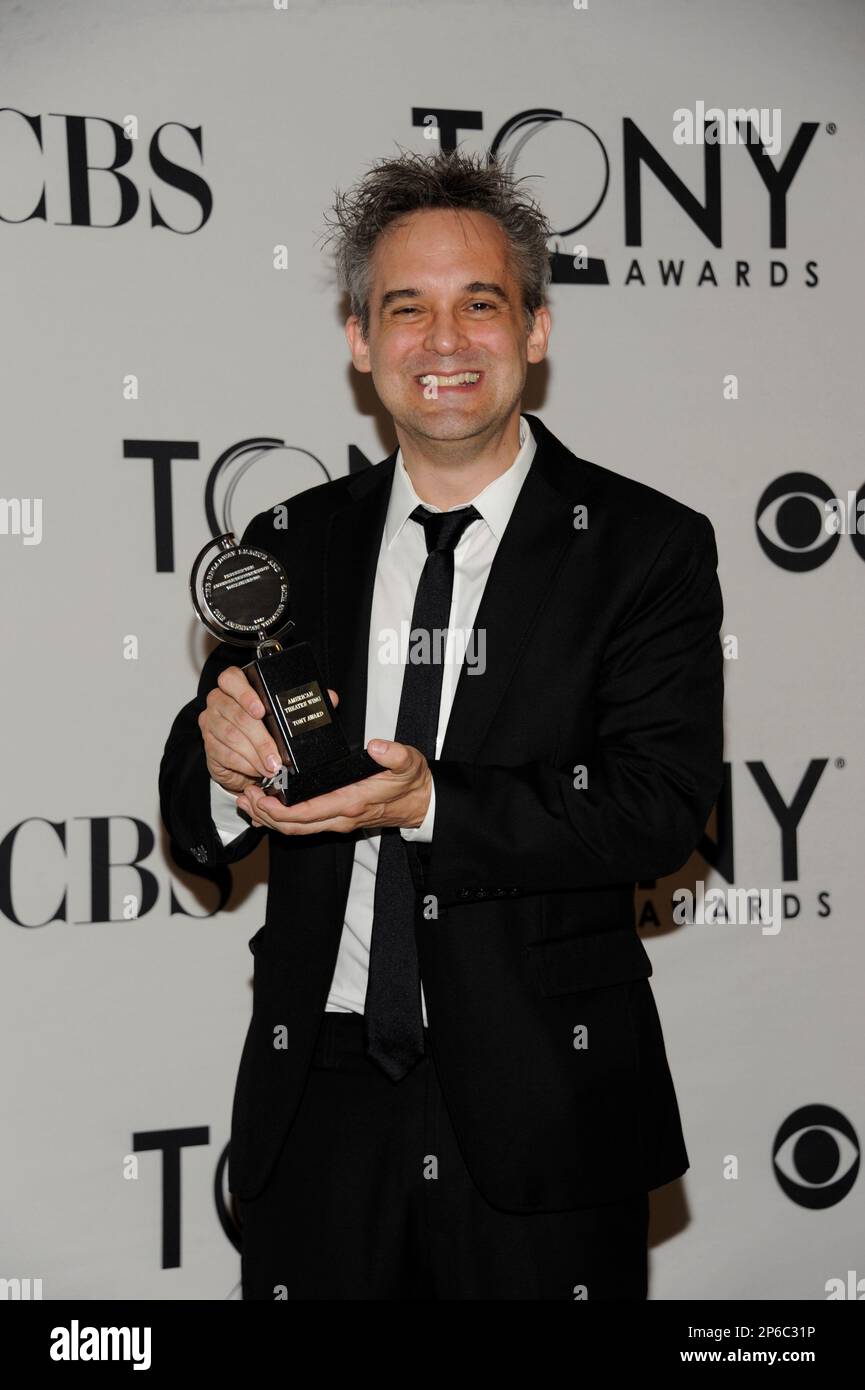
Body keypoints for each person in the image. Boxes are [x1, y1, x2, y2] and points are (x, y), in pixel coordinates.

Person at [159, 148, 724, 1301]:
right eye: (405, 308)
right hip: (317, 1095)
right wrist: (218, 756)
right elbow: (203, 761)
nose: (445, 341)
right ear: (361, 341)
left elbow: (653, 809)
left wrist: (429, 802)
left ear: (537, 328)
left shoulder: (644, 547)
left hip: (542, 1098)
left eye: (480, 302)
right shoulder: (289, 535)